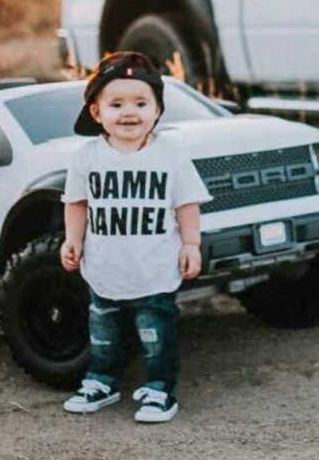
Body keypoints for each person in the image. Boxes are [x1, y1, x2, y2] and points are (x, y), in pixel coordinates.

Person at [59, 51, 212, 422]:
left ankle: (160, 390)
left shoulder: (171, 154)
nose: (129, 112)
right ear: (97, 112)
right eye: (116, 104)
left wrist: (191, 244)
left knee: (155, 335)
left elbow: (187, 204)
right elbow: (77, 202)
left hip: (155, 267)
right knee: (103, 334)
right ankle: (102, 381)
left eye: (141, 103)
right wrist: (73, 239)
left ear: (157, 109)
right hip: (104, 266)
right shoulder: (86, 156)